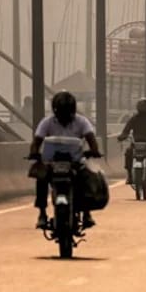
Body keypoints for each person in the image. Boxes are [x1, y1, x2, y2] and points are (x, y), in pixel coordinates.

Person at [28, 91, 102, 230]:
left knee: (87, 178)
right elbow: (36, 141)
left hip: (75, 161)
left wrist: (94, 150)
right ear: (55, 110)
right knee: (41, 178)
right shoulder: (47, 122)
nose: (64, 115)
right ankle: (42, 213)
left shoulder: (82, 121)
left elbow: (91, 139)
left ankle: (87, 213)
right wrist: (34, 153)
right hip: (52, 162)